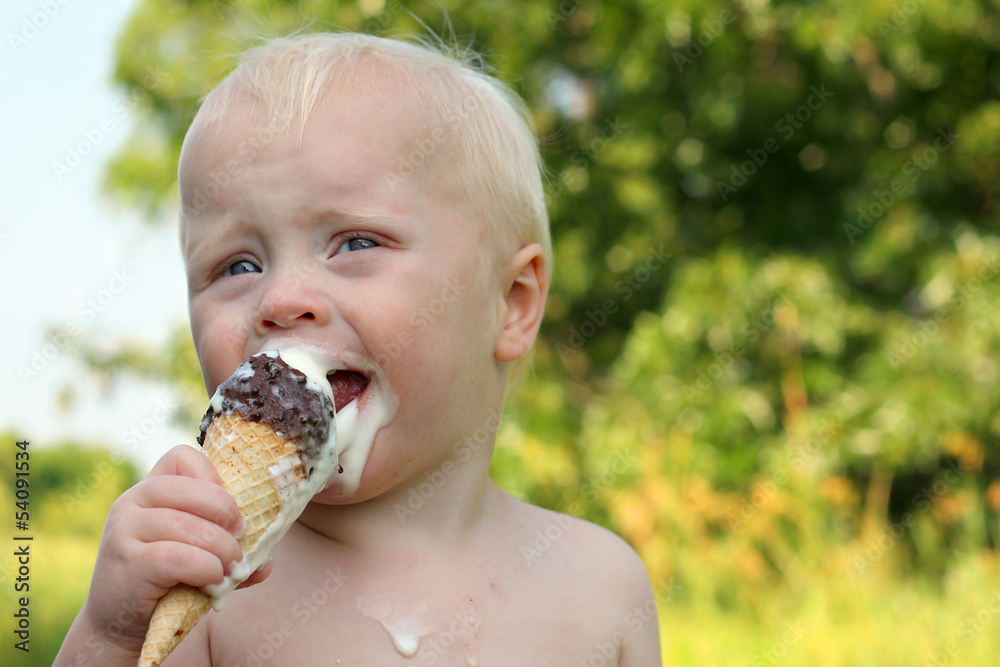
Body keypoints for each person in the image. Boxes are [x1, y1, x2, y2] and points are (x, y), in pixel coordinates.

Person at [55, 32, 661, 666]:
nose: (281, 299)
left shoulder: (602, 587)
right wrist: (109, 636)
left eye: (355, 244)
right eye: (238, 265)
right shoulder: (208, 586)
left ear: (509, 303)